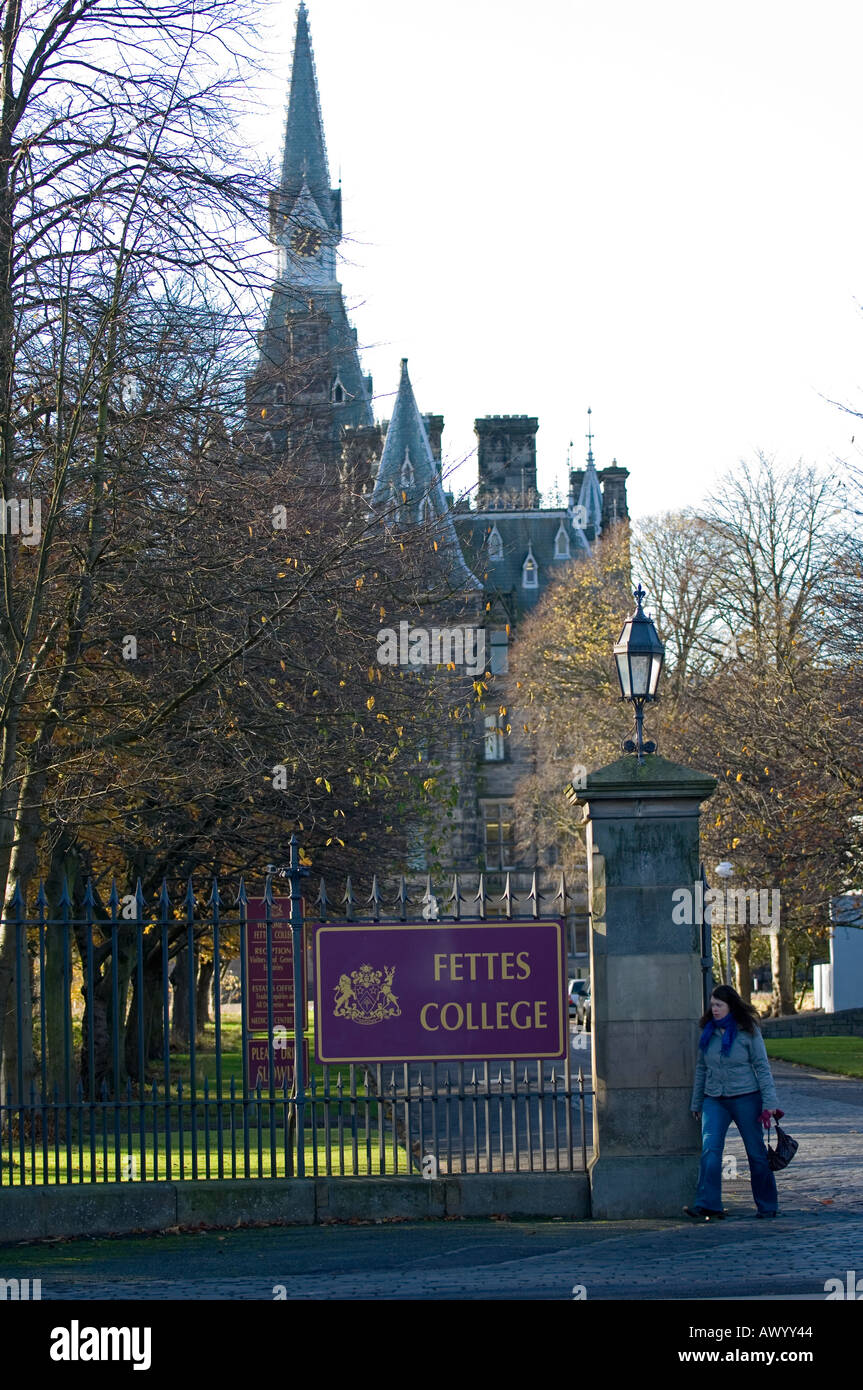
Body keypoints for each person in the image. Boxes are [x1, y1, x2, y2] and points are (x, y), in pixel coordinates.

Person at [685, 984, 783, 1220]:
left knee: (756, 1153)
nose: (715, 1009)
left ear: (731, 1006)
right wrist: (696, 1102)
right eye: (713, 1005)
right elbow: (701, 1069)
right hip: (714, 1099)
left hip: (746, 1097)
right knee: (710, 1150)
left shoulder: (747, 1030)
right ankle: (709, 1204)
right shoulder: (707, 1032)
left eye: (719, 1005)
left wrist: (770, 1102)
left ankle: (767, 1205)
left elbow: (761, 1066)